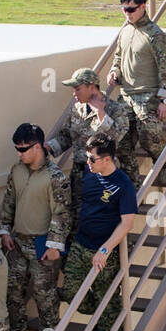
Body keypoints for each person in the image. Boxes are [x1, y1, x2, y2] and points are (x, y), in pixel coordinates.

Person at [60, 135, 138, 331]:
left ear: (106, 159)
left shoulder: (123, 185)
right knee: (71, 291)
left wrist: (105, 249)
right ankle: (99, 318)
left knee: (108, 299)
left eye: (92, 159)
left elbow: (126, 224)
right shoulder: (89, 176)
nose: (88, 162)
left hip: (104, 251)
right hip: (81, 244)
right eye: (87, 157)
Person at [0, 123, 72, 331]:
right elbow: (9, 201)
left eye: (23, 149)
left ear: (37, 147)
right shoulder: (16, 171)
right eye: (17, 149)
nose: (19, 154)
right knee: (12, 292)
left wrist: (54, 245)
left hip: (43, 245)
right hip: (18, 243)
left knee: (45, 296)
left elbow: (62, 213)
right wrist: (4, 231)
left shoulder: (55, 177)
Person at [45, 68, 136, 226]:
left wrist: (101, 114)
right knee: (77, 218)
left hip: (103, 176)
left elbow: (114, 139)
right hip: (79, 174)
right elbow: (67, 136)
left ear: (92, 87)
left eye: (77, 88)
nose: (74, 93)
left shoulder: (115, 110)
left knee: (101, 219)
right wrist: (46, 148)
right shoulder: (77, 109)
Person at [107, 0, 166, 173]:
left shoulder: (155, 34)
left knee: (149, 137)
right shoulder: (125, 31)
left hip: (148, 95)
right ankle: (133, 182)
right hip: (127, 95)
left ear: (143, 6)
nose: (127, 13)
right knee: (119, 142)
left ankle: (165, 168)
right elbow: (118, 57)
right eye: (124, 9)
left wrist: (165, 100)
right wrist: (114, 71)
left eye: (131, 9)